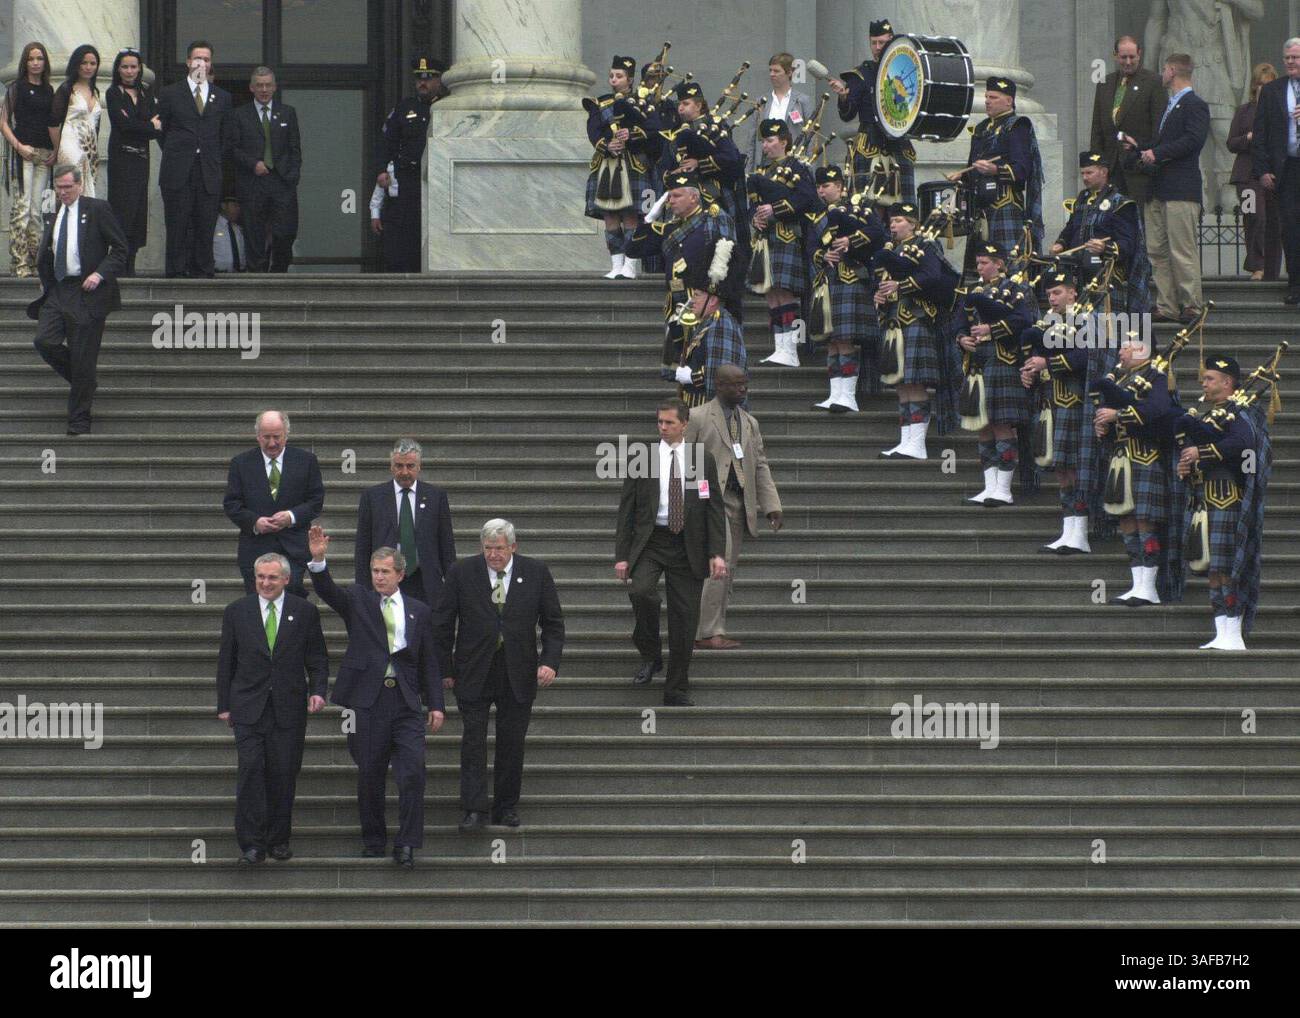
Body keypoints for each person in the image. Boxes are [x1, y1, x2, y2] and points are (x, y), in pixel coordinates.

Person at [307, 526, 444, 866]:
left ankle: (408, 843)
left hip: (407, 702)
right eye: (375, 571)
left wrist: (437, 704)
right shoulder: (358, 600)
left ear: (400, 573)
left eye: (385, 571)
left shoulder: (419, 610)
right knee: (369, 773)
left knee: (412, 772)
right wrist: (319, 559)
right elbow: (326, 590)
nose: (379, 577)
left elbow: (429, 660)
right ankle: (373, 839)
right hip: (367, 703)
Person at [434, 519, 564, 831]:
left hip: (517, 671)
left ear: (513, 547)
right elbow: (441, 623)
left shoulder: (536, 573)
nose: (493, 554)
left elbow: (553, 623)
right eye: (488, 548)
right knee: (473, 742)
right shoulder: (461, 573)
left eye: (500, 549)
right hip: (474, 670)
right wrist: (446, 668)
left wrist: (549, 662)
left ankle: (505, 806)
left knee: (512, 742)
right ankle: (474, 808)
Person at [216, 552, 328, 864]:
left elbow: (317, 658)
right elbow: (226, 661)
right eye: (261, 577)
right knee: (251, 772)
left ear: (286, 579)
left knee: (283, 773)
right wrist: (224, 704)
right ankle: (252, 844)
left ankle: (279, 839)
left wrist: (318, 691)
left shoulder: (304, 612)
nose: (266, 583)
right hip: (248, 708)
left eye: (272, 578)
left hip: (288, 707)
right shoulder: (237, 611)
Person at [614, 400, 727, 707]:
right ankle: (651, 654)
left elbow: (714, 507)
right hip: (652, 541)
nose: (662, 427)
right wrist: (622, 555)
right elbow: (626, 509)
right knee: (641, 592)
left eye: (669, 423)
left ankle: (676, 688)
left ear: (684, 425)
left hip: (687, 545)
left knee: (685, 620)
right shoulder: (643, 456)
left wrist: (717, 552)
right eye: (659, 422)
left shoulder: (700, 458)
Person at [684, 366, 782, 650]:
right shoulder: (699, 417)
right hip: (709, 502)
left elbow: (760, 464)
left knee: (729, 567)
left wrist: (771, 505)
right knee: (720, 563)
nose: (742, 390)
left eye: (745, 385)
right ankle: (706, 631)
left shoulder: (750, 422)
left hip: (740, 502)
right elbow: (682, 458)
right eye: (736, 385)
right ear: (719, 385)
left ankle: (712, 626)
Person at [26, 164, 126, 436]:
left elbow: (120, 249)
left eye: (68, 187)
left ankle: (79, 420)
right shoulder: (53, 212)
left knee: (83, 357)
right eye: (59, 188)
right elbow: (49, 249)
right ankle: (85, 381)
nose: (63, 193)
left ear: (80, 185)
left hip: (88, 291)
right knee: (44, 340)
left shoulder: (97, 209)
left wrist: (99, 274)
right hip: (59, 290)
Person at [1093, 331, 1185, 607]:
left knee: (1145, 522)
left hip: (1145, 457)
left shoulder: (1157, 377)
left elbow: (1159, 409)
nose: (1120, 352)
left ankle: (1150, 587)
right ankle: (1138, 585)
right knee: (1127, 522)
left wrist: (1118, 414)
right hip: (1120, 457)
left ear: (1142, 351)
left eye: (1126, 347)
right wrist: (1102, 426)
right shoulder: (1119, 378)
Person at [638, 170, 746, 403]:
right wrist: (650, 217)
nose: (670, 201)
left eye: (676, 196)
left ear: (694, 197)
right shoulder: (671, 225)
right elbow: (633, 247)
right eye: (669, 196)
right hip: (676, 303)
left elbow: (727, 256)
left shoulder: (714, 217)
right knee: (681, 372)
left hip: (704, 301)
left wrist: (713, 293)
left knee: (702, 364)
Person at [1174, 355, 1258, 650]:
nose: (1204, 383)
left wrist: (1202, 453)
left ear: (1228, 382)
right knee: (1212, 569)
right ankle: (1221, 628)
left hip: (1226, 498)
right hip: (1204, 498)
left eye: (1210, 379)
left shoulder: (1241, 413)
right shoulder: (1209, 414)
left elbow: (1243, 445)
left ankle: (1233, 629)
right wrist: (1187, 466)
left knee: (1226, 568)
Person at [873, 200, 961, 460]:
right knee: (901, 383)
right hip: (894, 321)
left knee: (915, 382)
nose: (893, 225)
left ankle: (918, 443)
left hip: (917, 318)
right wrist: (879, 295)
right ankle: (906, 440)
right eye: (891, 221)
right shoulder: (890, 249)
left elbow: (933, 276)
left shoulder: (925, 244)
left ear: (913, 224)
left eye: (899, 221)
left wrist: (901, 287)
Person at [1125, 53, 1207, 324]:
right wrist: (1140, 146)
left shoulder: (1194, 104)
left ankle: (1191, 304)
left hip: (1181, 189)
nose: (1161, 73)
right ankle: (1167, 304)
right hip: (1158, 189)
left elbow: (1193, 141)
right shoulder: (1169, 105)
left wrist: (1156, 153)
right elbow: (1164, 142)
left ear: (1172, 70)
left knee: (1181, 249)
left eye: (1164, 68)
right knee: (1157, 250)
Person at [952, 241, 1036, 506]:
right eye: (977, 263)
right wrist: (961, 338)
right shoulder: (971, 291)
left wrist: (992, 329)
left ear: (999, 263)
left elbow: (1025, 321)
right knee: (983, 426)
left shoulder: (1015, 288)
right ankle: (989, 488)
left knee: (1001, 424)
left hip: (1003, 360)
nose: (980, 267)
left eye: (984, 262)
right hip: (977, 363)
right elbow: (958, 323)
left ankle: (1004, 488)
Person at [949, 76, 1044, 282]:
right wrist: (961, 176)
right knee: (979, 273)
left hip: (1005, 206)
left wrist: (995, 169)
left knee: (1008, 270)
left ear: (1009, 101)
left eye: (993, 97)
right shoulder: (982, 128)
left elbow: (1022, 171)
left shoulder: (1017, 126)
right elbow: (971, 165)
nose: (987, 101)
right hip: (980, 208)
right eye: (986, 97)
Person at [222, 410, 324, 598]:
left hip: (293, 549)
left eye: (277, 437)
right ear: (257, 436)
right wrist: (255, 522)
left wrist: (291, 517)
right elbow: (231, 504)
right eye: (266, 437)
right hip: (255, 548)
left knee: (291, 603)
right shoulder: (241, 463)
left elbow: (316, 501)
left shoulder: (306, 461)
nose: (271, 443)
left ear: (286, 434)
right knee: (257, 607)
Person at [808, 166, 886, 412]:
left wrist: (851, 241)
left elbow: (878, 233)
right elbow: (810, 248)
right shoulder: (817, 215)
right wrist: (823, 255)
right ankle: (835, 394)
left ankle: (849, 395)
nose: (822, 191)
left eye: (827, 186)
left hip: (852, 277)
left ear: (840, 186)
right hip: (828, 280)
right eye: (819, 186)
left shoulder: (858, 207)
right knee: (832, 340)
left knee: (845, 339)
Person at [156, 40, 231, 278]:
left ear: (211, 65)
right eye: (198, 59)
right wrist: (180, 151)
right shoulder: (170, 93)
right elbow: (162, 131)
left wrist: (212, 157)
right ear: (189, 62)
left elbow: (226, 136)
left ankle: (203, 271)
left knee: (205, 223)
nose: (202, 63)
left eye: (206, 60)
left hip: (208, 171)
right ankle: (176, 273)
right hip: (178, 171)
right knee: (177, 225)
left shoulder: (222, 97)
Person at [355, 438, 455, 608]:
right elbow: (363, 546)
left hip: (426, 580)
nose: (405, 472)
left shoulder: (436, 497)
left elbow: (446, 544)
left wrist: (452, 585)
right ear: (391, 466)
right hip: (387, 578)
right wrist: (364, 589)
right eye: (399, 466)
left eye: (410, 466)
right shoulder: (372, 497)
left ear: (419, 466)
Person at [1051, 150, 1152, 315]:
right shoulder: (1082, 199)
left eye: (1089, 172)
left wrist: (1105, 247)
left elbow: (1128, 243)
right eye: (1082, 173)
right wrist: (1060, 243)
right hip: (1077, 272)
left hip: (1106, 274)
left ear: (1103, 172)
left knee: (1104, 331)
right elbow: (1070, 229)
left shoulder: (1120, 203)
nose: (1084, 177)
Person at [749, 119, 816, 368]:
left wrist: (774, 209)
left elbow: (807, 198)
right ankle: (780, 348)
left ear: (784, 141)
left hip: (788, 234)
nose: (765, 146)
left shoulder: (797, 167)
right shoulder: (762, 172)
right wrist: (755, 218)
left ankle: (791, 350)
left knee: (785, 293)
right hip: (766, 237)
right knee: (771, 293)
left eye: (770, 140)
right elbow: (753, 204)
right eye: (763, 141)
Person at [584, 55, 658, 279]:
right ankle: (616, 264)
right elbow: (594, 131)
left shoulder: (642, 102)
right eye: (611, 76)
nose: (614, 79)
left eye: (619, 76)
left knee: (631, 215)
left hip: (633, 163)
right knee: (610, 215)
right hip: (608, 164)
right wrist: (607, 145)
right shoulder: (601, 102)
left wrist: (632, 135)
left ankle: (630, 265)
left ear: (630, 79)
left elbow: (653, 131)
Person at [829, 18, 916, 202]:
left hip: (898, 145)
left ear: (891, 41)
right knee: (867, 205)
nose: (877, 47)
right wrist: (844, 97)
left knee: (903, 207)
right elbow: (848, 114)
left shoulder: (905, 69)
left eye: (882, 42)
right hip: (869, 145)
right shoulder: (861, 73)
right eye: (873, 43)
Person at [224, 67, 301, 272]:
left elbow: (295, 148)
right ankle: (257, 277)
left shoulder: (287, 113)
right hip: (253, 181)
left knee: (285, 231)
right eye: (259, 85)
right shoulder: (239, 115)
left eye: (268, 85)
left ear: (275, 87)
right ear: (251, 87)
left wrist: (292, 176)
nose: (264, 89)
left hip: (281, 181)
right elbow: (231, 148)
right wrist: (253, 164)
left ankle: (279, 271)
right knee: (254, 232)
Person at [375, 57, 446, 272]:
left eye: (428, 78)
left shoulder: (446, 107)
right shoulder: (405, 108)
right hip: (406, 179)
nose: (422, 83)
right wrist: (380, 170)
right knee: (400, 232)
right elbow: (387, 141)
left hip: (437, 180)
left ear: (438, 80)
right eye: (419, 79)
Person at [1088, 35, 1163, 212]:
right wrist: (1096, 165)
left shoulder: (1153, 82)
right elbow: (1097, 128)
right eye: (1123, 57)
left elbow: (1158, 127)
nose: (1128, 62)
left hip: (1139, 169)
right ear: (1115, 56)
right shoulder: (1104, 84)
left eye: (1132, 57)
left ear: (1139, 54)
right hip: (1110, 168)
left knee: (1138, 223)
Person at [1251, 39, 1300, 306]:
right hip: (1288, 168)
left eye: (1295, 57)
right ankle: (1295, 283)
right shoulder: (1272, 91)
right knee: (1291, 227)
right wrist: (1262, 169)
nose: (1290, 62)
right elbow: (1260, 134)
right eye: (1287, 58)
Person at [1, 42, 56, 276]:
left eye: (40, 59)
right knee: (21, 209)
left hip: (44, 154)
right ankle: (19, 263)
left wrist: (56, 148)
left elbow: (53, 123)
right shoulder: (16, 88)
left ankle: (35, 262)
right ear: (25, 62)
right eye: (31, 59)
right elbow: (3, 121)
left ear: (45, 62)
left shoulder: (49, 90)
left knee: (37, 211)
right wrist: (19, 146)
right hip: (23, 152)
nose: (35, 63)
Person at [105, 48, 160, 275]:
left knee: (138, 212)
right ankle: (118, 263)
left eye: (134, 66)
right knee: (122, 210)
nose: (130, 71)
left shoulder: (146, 94)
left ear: (140, 69)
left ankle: (131, 264)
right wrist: (147, 126)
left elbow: (157, 129)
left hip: (141, 160)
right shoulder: (113, 93)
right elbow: (123, 125)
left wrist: (144, 127)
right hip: (122, 160)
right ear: (118, 69)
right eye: (125, 66)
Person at [1228, 62, 1280, 282]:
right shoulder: (1244, 111)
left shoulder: (1281, 111)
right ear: (1254, 86)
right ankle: (1256, 266)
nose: (1263, 88)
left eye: (1268, 84)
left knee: (1274, 222)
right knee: (1254, 217)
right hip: (1247, 177)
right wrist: (1248, 138)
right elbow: (1231, 143)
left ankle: (1272, 270)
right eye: (1260, 84)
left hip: (1275, 176)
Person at [744, 53, 815, 172]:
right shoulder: (762, 101)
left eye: (776, 71)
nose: (772, 74)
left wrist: (809, 166)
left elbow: (810, 137)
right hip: (765, 163)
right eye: (770, 70)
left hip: (793, 163)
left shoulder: (802, 101)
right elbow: (751, 139)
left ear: (789, 73)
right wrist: (748, 171)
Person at [48, 45, 102, 198]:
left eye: (93, 63)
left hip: (91, 149)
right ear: (76, 64)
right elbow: (52, 123)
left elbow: (96, 126)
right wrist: (57, 148)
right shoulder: (66, 89)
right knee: (69, 191)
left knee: (88, 195)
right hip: (69, 146)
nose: (88, 67)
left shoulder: (95, 91)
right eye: (83, 63)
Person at [213, 196, 247, 272]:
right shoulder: (213, 227)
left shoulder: (238, 230)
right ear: (223, 206)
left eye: (239, 206)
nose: (238, 209)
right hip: (217, 275)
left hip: (240, 275)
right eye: (234, 206)